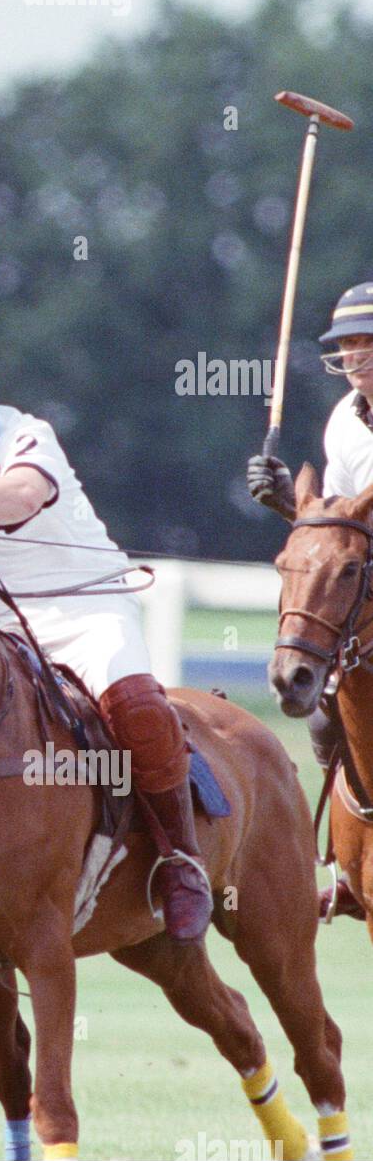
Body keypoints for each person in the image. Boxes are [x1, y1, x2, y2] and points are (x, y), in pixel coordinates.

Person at [0, 312, 213, 943]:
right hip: (4, 624)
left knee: (136, 704)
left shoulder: (22, 435)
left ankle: (180, 861)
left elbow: (23, 495)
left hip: (89, 609)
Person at [247, 281, 373, 919]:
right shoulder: (343, 421)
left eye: (367, 343)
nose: (356, 357)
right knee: (328, 713)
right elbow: (342, 533)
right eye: (347, 345)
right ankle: (350, 864)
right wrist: (289, 509)